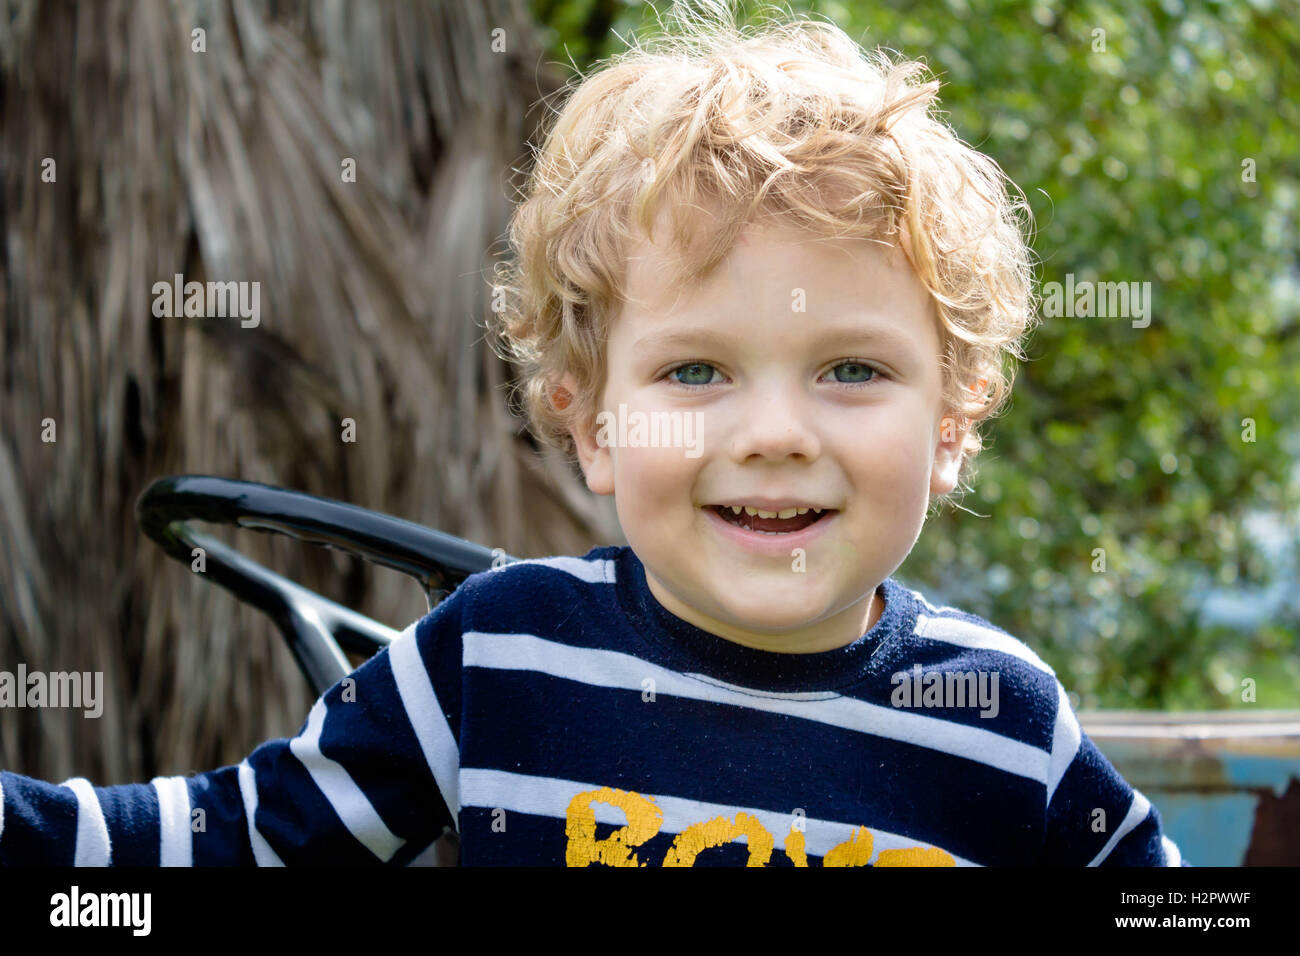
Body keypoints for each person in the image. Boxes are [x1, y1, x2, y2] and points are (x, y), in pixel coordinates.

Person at [0, 1, 1184, 867]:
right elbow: (225, 845)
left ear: (952, 420)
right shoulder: (495, 660)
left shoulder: (999, 717)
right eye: (697, 369)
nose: (773, 431)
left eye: (853, 369)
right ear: (591, 420)